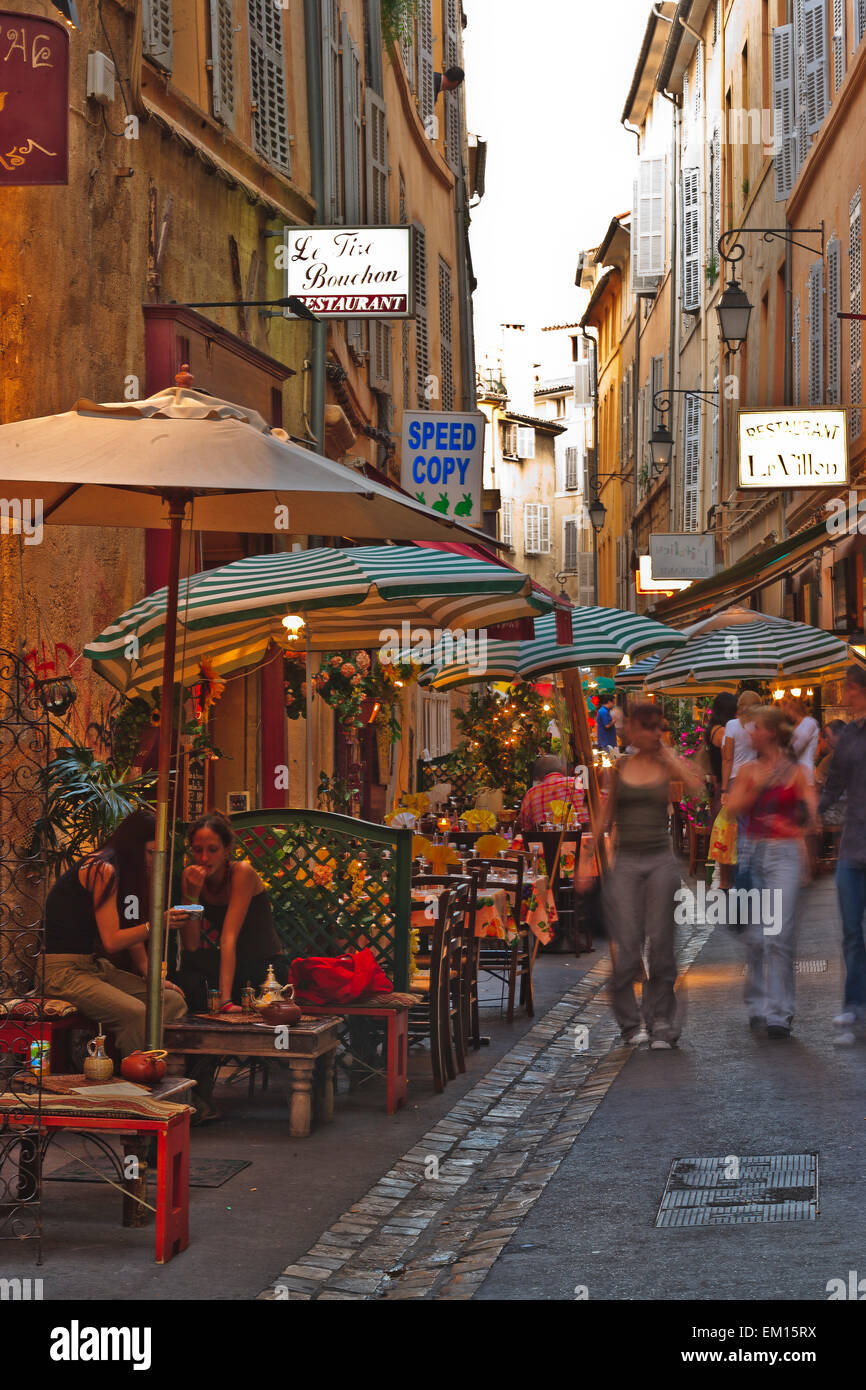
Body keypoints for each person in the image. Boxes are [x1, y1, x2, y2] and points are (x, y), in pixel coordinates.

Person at [601, 701, 705, 1049]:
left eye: (658, 727)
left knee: (661, 945)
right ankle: (630, 1025)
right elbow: (606, 816)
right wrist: (589, 860)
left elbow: (696, 787)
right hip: (628, 862)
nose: (653, 733)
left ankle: (661, 1022)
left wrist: (670, 755)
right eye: (646, 726)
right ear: (630, 728)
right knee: (628, 948)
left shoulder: (664, 763)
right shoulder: (620, 767)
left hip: (660, 860)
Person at [42, 809, 187, 1057]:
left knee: (172, 1001)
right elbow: (112, 941)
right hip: (62, 972)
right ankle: (134, 1080)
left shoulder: (127, 877)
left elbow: (131, 930)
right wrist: (157, 924)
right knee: (136, 1013)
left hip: (93, 968)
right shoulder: (101, 869)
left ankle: (159, 1066)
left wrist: (152, 977)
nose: (153, 861)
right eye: (151, 853)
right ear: (133, 845)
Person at [727, 706, 817, 1040]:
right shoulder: (749, 771)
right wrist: (756, 787)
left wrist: (795, 823)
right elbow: (732, 806)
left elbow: (811, 812)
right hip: (754, 852)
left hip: (785, 855)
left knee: (780, 935)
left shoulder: (796, 772)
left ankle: (779, 1012)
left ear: (769, 733)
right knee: (755, 937)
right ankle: (757, 1004)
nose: (749, 733)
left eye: (754, 728)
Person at [172, 811, 285, 1014]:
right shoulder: (191, 875)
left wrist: (224, 1001)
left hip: (265, 966)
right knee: (191, 969)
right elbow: (191, 943)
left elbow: (228, 937)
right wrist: (192, 897)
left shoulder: (241, 872)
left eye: (213, 850)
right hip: (230, 964)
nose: (204, 858)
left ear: (226, 850)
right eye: (198, 850)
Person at [817, 666, 866, 1045]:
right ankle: (854, 1006)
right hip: (853, 847)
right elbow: (833, 785)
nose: (846, 695)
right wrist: (812, 814)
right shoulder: (849, 735)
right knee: (851, 932)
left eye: (850, 689)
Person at [516, 754, 588, 831]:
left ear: (539, 776)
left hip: (548, 842)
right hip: (585, 841)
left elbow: (525, 828)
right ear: (562, 769)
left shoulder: (531, 794)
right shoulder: (578, 783)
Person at [721, 689, 761, 803]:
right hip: (755, 777)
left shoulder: (731, 725)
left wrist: (724, 790)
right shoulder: (760, 725)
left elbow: (727, 760)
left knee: (738, 818)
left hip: (736, 777)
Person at [705, 692, 738, 816]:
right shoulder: (722, 731)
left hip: (720, 781)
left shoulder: (714, 728)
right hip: (725, 783)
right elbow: (729, 758)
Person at [786, 694, 820, 781]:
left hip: (805, 769)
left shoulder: (809, 722)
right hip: (797, 770)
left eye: (788, 710)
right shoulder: (798, 725)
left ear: (793, 709)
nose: (787, 714)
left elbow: (798, 746)